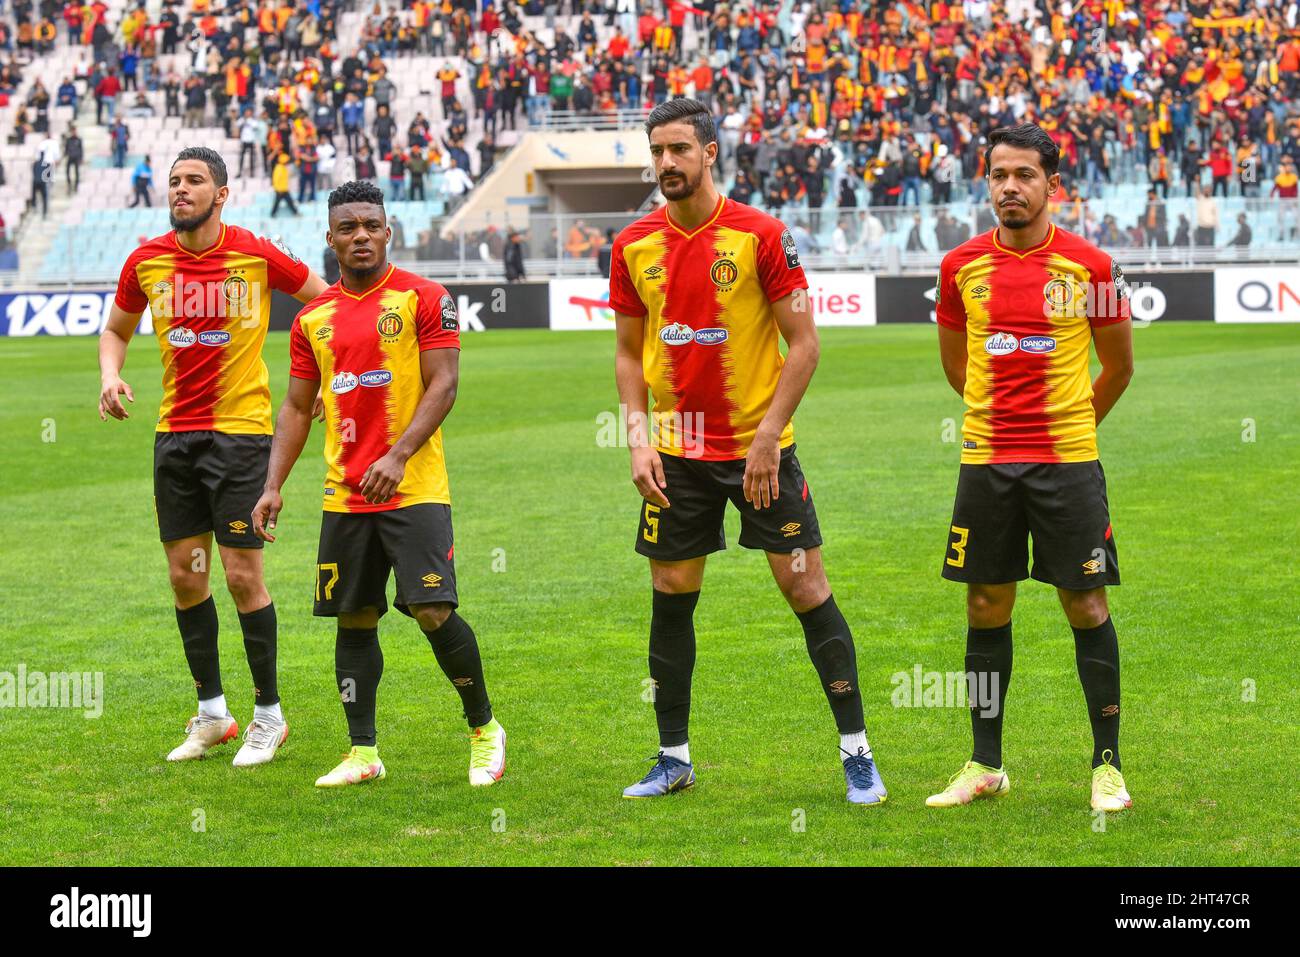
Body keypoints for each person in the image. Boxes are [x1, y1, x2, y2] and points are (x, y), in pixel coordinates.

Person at [609, 98, 886, 806]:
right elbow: (626, 353)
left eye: (679, 150)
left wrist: (767, 437)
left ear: (709, 153)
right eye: (658, 151)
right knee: (670, 594)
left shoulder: (760, 235)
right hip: (676, 458)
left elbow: (806, 346)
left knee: (806, 588)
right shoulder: (633, 244)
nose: (666, 163)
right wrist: (638, 441)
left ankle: (858, 753)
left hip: (760, 454)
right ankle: (673, 757)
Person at [251, 180, 507, 790]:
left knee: (431, 608)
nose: (360, 235)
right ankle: (363, 751)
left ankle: (484, 729)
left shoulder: (424, 298)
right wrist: (272, 485)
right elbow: (294, 407)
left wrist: (397, 454)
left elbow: (443, 384)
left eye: (371, 225)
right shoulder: (312, 318)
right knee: (354, 616)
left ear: (388, 231)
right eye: (348, 227)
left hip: (414, 486)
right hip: (344, 494)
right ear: (331, 238)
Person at [98, 147, 328, 767]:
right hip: (175, 437)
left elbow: (328, 302)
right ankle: (213, 714)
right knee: (185, 575)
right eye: (174, 181)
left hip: (241, 437)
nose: (181, 189)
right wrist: (109, 375)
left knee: (242, 575)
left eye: (194, 181)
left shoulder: (254, 253)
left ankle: (269, 716)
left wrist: (324, 378)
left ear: (221, 194)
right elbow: (116, 330)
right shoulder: (146, 261)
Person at [931, 123, 1134, 813]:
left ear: (1054, 184)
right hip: (985, 460)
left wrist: (1068, 428)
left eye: (1024, 175)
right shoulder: (960, 266)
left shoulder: (1093, 267)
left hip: (1068, 464)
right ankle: (986, 762)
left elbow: (1119, 366)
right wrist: (999, 423)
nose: (1009, 186)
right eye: (998, 174)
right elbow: (957, 366)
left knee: (1086, 603)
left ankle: (1107, 766)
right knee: (986, 603)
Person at [270, 152, 299, 216]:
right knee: (277, 203)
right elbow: (276, 180)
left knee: (289, 202)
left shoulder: (283, 167)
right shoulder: (279, 168)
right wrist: (277, 189)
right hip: (280, 190)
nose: (287, 162)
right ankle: (272, 214)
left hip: (284, 189)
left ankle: (296, 212)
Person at [63, 123, 83, 193]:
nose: (74, 132)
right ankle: (69, 184)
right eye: (73, 131)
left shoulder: (79, 139)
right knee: (67, 171)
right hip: (70, 157)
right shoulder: (69, 140)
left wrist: (81, 158)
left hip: (76, 157)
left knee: (77, 172)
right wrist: (65, 155)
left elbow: (81, 150)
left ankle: (76, 186)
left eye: (75, 131)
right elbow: (66, 148)